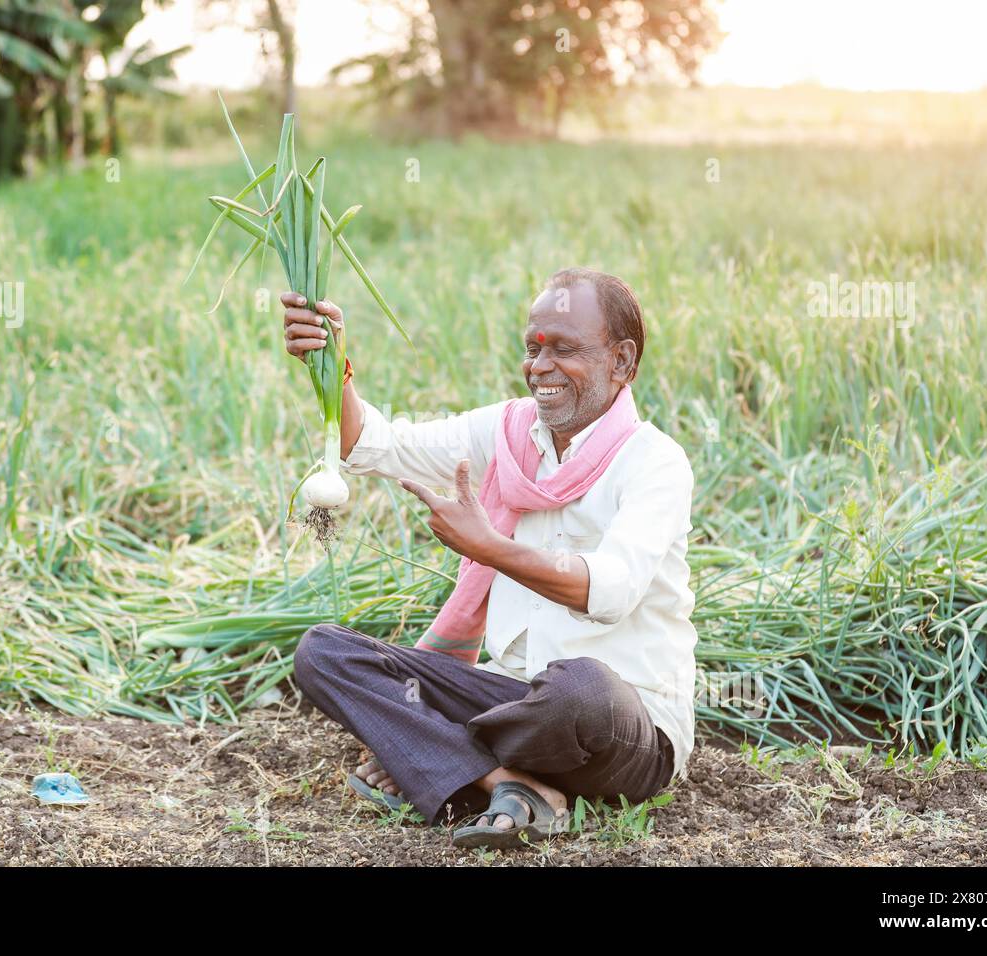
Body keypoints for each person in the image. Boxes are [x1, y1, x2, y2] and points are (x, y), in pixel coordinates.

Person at [283, 267, 697, 849]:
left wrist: (489, 547)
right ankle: (509, 781)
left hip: (620, 728)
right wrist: (331, 365)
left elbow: (612, 591)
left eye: (565, 350)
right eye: (533, 348)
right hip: (514, 699)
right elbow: (374, 446)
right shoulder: (506, 434)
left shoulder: (655, 462)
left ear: (623, 362)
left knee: (577, 688)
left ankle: (429, 749)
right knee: (325, 653)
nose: (540, 367)